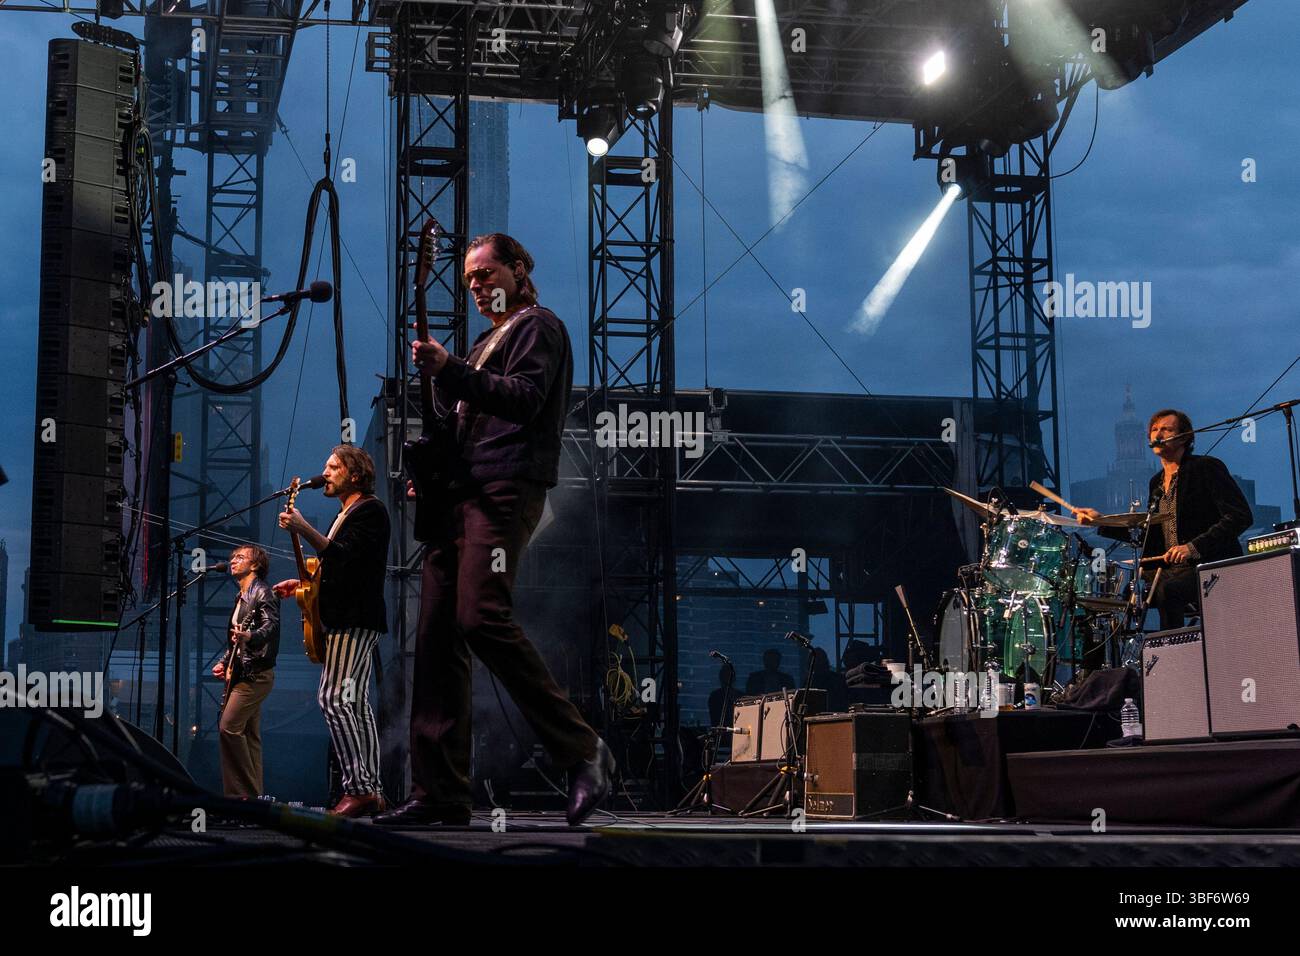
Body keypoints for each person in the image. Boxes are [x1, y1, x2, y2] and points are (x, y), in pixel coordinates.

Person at [377, 233, 612, 828]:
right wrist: (432, 473)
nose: (477, 286)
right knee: (434, 637)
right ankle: (439, 793)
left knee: (480, 614)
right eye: (469, 280)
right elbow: (466, 422)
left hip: (504, 489)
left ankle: (584, 750)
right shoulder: (485, 342)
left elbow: (526, 400)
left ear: (518, 269)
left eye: (486, 273)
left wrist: (449, 368)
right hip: (458, 495)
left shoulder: (540, 327)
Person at [274, 445, 391, 817]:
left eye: (333, 467)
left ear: (355, 475)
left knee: (333, 698)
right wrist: (304, 585)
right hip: (349, 616)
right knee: (354, 703)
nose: (324, 472)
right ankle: (370, 788)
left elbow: (343, 555)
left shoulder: (369, 510)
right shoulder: (345, 514)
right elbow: (338, 567)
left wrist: (303, 527)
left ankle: (358, 789)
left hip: (354, 618)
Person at [1075, 407, 1252, 630]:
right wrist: (1100, 522)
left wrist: (1192, 547)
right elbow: (1148, 535)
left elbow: (1240, 516)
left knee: (1167, 590)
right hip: (1172, 570)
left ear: (1185, 437)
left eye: (1166, 429)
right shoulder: (1156, 482)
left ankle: (1173, 651)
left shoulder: (1206, 467)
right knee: (1115, 594)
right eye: (1154, 429)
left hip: (1209, 565)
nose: (1158, 435)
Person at [212, 544, 279, 798]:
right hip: (242, 671)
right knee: (250, 737)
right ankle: (250, 799)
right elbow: (236, 640)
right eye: (232, 558)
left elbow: (271, 627)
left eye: (240, 557)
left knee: (228, 728)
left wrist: (250, 635)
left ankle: (244, 798)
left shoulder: (263, 592)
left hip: (255, 675)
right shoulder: (242, 596)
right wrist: (225, 660)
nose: (232, 561)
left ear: (255, 565)